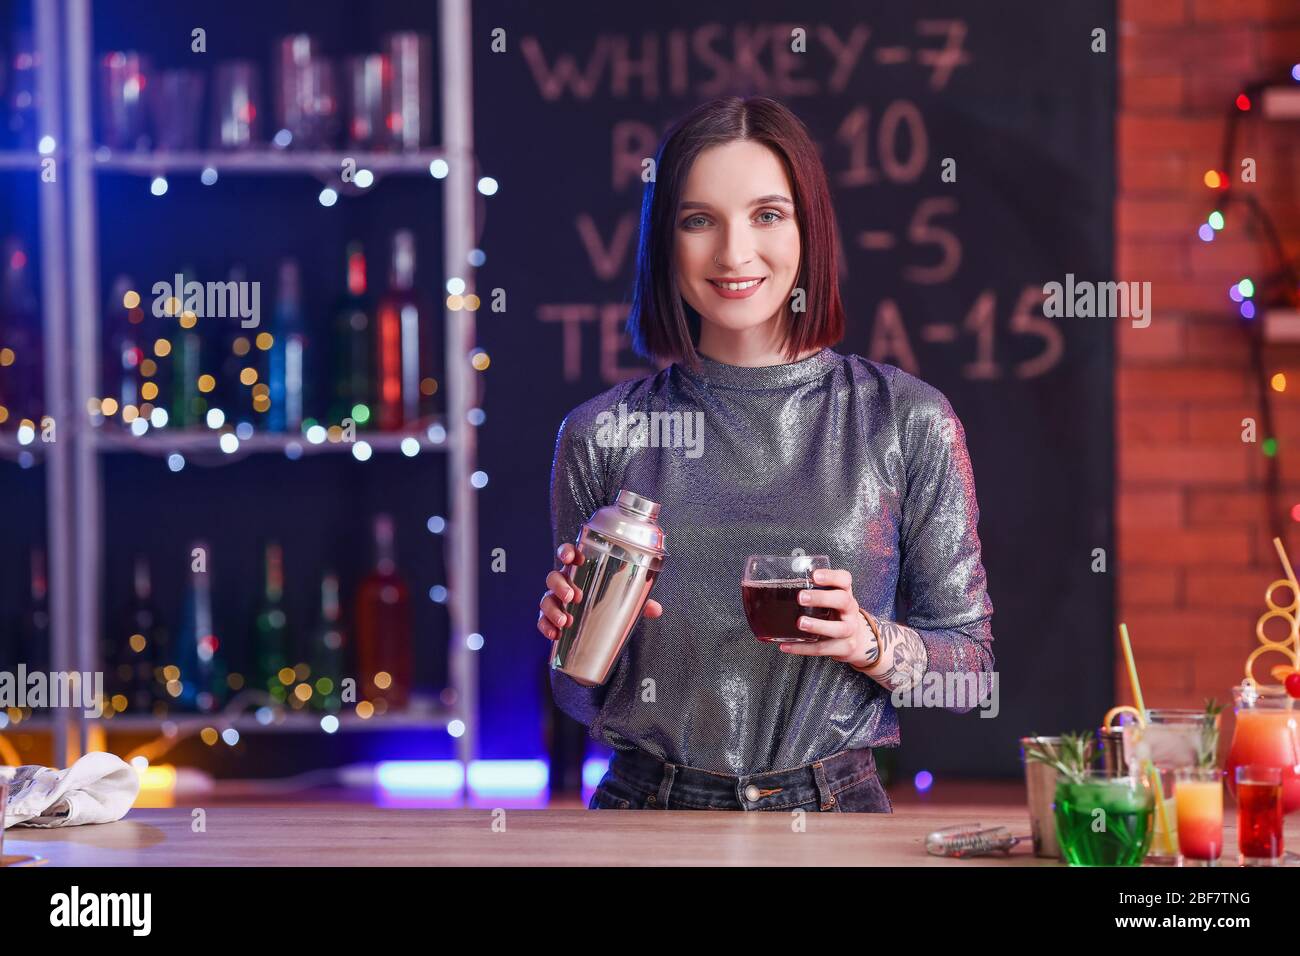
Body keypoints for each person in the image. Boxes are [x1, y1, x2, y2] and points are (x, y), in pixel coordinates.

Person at [537, 95, 994, 813]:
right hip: (645, 815)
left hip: (836, 815)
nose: (733, 253)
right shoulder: (600, 433)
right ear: (665, 242)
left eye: (767, 215)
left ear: (810, 229)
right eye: (698, 221)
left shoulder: (907, 419)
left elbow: (973, 680)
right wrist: (575, 633)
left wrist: (866, 640)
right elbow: (574, 694)